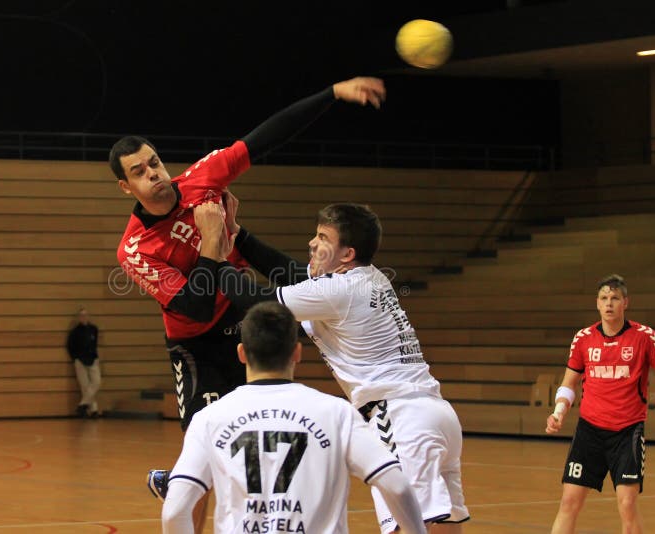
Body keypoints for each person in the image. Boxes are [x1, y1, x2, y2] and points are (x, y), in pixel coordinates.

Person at [108, 76, 386, 526]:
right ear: (126, 187)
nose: (153, 174)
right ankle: (181, 485)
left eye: (154, 162)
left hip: (244, 320)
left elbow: (266, 136)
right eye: (138, 172)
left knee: (264, 434)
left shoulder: (202, 178)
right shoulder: (135, 250)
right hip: (197, 345)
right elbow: (196, 307)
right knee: (202, 455)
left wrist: (332, 93)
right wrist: (212, 241)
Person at [193, 198, 470, 533]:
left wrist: (216, 256)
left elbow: (258, 302)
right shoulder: (368, 277)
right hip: (436, 413)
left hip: (399, 416)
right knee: (444, 523)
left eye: (323, 237)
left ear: (347, 254)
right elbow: (291, 272)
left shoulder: (338, 291)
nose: (313, 242)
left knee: (406, 526)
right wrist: (239, 235)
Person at [161, 301, 427, 534]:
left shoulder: (208, 418)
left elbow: (175, 510)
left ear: (241, 353)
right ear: (297, 352)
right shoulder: (337, 412)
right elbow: (397, 486)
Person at [546, 274, 655, 534]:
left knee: (627, 504)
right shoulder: (584, 338)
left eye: (615, 298)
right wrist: (559, 412)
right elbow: (569, 383)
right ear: (597, 303)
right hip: (589, 431)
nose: (609, 303)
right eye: (604, 298)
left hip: (627, 432)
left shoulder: (644, 337)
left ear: (625, 303)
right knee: (569, 501)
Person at [65, 307, 102, 418]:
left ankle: (82, 404)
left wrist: (95, 355)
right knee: (85, 386)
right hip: (80, 361)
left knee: (96, 382)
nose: (84, 317)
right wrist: (75, 358)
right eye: (81, 315)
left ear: (88, 316)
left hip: (93, 359)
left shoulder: (94, 329)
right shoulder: (74, 332)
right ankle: (94, 410)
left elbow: (94, 344)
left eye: (85, 315)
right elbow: (70, 346)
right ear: (78, 318)